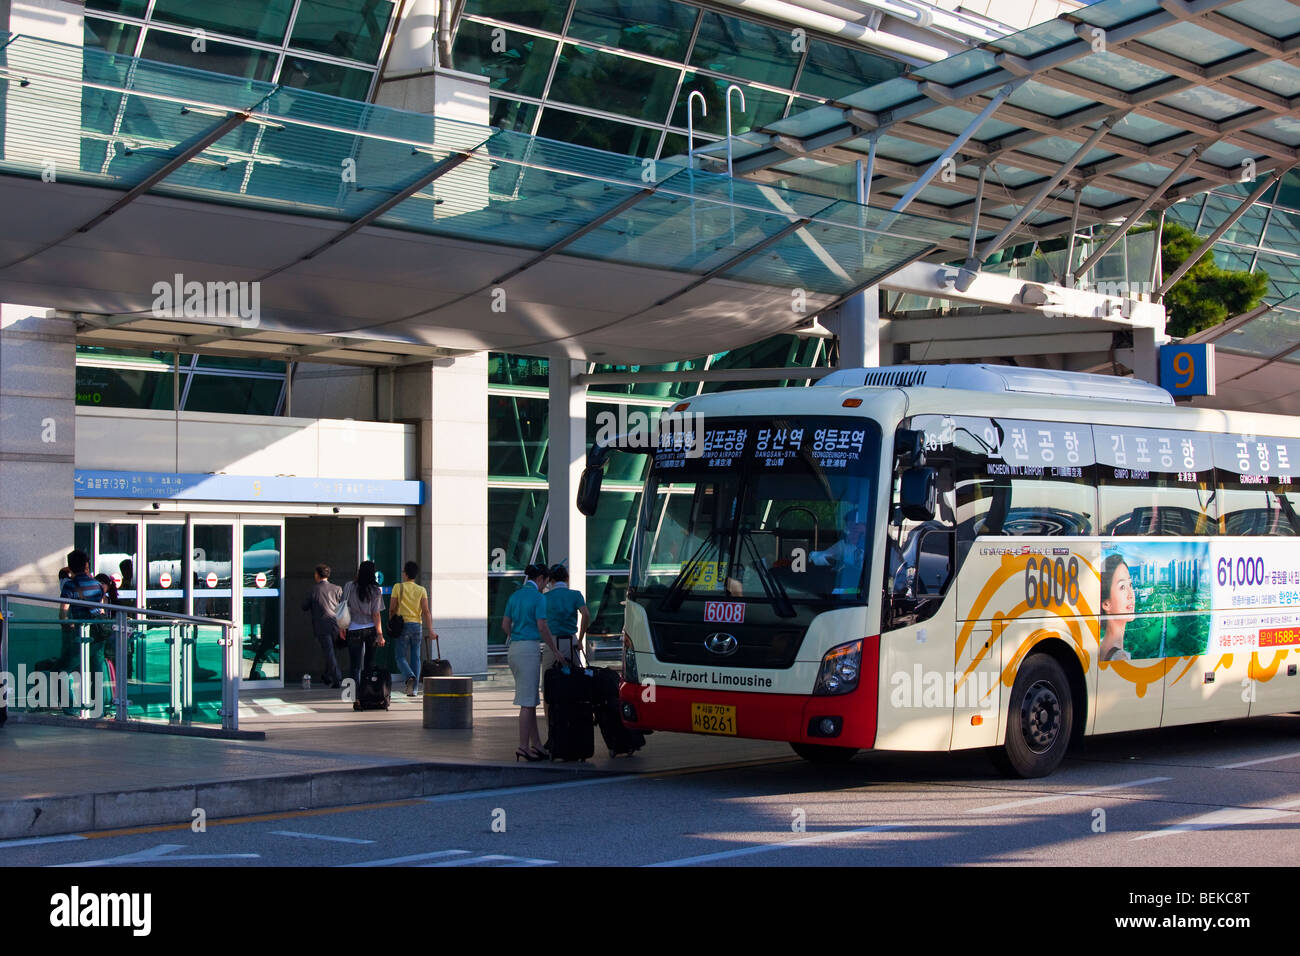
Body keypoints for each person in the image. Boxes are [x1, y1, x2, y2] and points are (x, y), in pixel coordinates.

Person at [503, 564, 566, 761]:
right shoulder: (538, 598)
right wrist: (555, 650)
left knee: (529, 699)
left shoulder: (514, 595)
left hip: (514, 650)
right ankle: (523, 746)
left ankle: (537, 744)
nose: (545, 586)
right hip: (528, 649)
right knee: (527, 703)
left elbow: (505, 624)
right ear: (540, 578)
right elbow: (542, 626)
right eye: (546, 582)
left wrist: (517, 636)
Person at [59, 550, 108, 705]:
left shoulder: (70, 585)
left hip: (80, 633)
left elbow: (64, 611)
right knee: (96, 670)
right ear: (86, 565)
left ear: (71, 566)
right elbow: (101, 608)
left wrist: (66, 625)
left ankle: (71, 708)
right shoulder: (97, 585)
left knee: (61, 671)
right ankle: (98, 707)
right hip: (99, 633)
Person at [390, 561, 436, 697]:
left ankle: (409, 676)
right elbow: (426, 611)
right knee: (416, 657)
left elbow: (392, 608)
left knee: (399, 656)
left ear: (405, 573)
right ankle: (414, 689)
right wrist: (431, 630)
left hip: (402, 625)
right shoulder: (421, 590)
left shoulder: (398, 587)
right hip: (417, 625)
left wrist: (391, 622)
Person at [342, 560, 386, 690]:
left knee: (354, 665)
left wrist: (342, 627)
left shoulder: (349, 586)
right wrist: (380, 634)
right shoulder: (376, 590)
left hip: (353, 629)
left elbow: (343, 607)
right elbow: (376, 614)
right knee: (369, 664)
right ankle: (367, 692)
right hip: (371, 630)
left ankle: (355, 697)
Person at [302, 564, 344, 688]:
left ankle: (337, 678)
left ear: (317, 575)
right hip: (336, 624)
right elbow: (342, 609)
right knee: (332, 652)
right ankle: (328, 675)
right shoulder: (337, 589)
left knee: (329, 653)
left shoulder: (314, 590)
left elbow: (304, 606)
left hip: (322, 625)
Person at [810, 508, 868, 592]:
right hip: (847, 592)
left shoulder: (876, 546)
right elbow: (818, 556)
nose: (853, 534)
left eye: (858, 531)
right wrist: (835, 565)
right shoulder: (842, 545)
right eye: (850, 530)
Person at [1099, 553, 1135, 662]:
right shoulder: (1120, 658)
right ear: (1106, 604)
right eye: (1122, 587)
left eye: (1130, 585)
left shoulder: (1101, 645)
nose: (1131, 594)